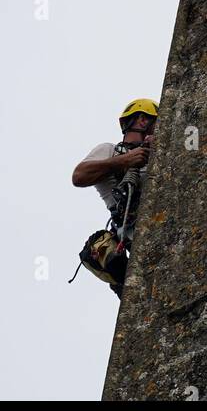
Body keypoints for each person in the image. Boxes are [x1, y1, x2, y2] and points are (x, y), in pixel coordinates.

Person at [72, 98, 158, 298]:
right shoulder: (110, 150)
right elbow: (79, 176)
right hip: (132, 227)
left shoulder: (156, 152)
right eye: (157, 124)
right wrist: (125, 161)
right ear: (143, 121)